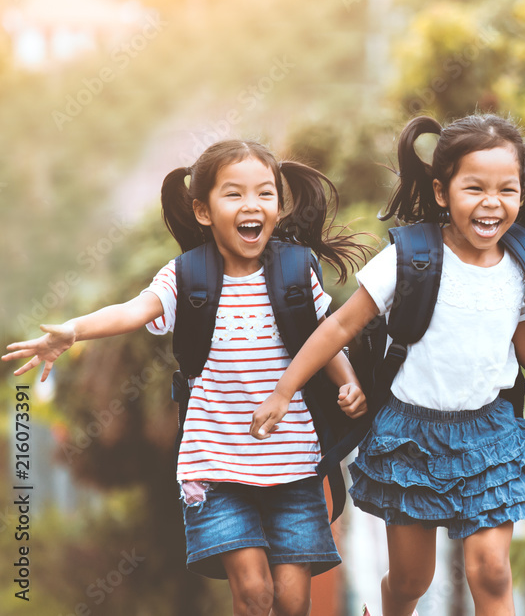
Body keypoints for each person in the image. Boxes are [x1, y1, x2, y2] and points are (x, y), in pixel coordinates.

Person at [250, 113, 525, 616]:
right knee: (412, 579)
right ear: (442, 191)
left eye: (506, 190)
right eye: (474, 188)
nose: (491, 202)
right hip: (410, 436)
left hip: (489, 437)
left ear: (522, 195)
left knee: (492, 571)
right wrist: (284, 391)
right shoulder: (410, 258)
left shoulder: (523, 266)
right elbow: (339, 327)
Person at [4, 140, 371, 616]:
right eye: (234, 194)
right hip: (215, 465)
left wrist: (348, 382)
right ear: (203, 211)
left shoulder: (296, 272)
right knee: (255, 593)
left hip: (293, 463)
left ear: (279, 207)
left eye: (265, 193)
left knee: (293, 600)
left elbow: (325, 334)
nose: (252, 205)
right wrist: (74, 330)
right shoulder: (188, 276)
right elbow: (133, 311)